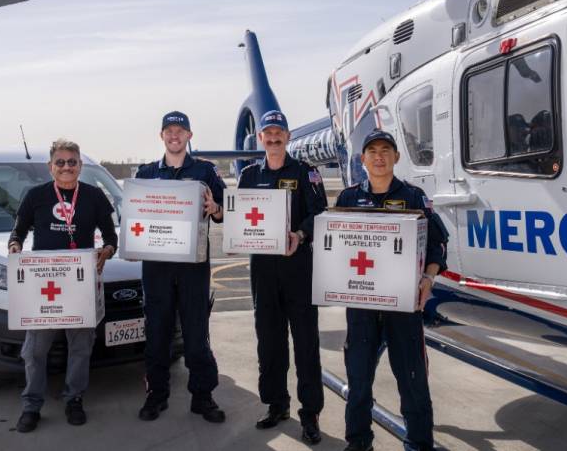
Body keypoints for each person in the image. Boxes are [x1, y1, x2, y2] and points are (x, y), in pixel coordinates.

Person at [335, 129, 449, 451]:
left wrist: (428, 279)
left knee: (413, 384)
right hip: (361, 308)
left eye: (386, 150)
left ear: (396, 157)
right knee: (358, 383)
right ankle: (358, 443)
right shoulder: (347, 199)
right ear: (363, 160)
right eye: (372, 151)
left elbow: (439, 244)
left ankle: (418, 445)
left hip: (404, 309)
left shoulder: (414, 197)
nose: (379, 156)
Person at [8, 139, 118, 433]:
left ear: (80, 165)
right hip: (44, 283)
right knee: (34, 351)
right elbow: (17, 232)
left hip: (80, 283)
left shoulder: (94, 196)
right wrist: (15, 246)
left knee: (81, 347)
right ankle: (31, 405)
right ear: (51, 166)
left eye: (72, 162)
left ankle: (74, 399)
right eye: (61, 162)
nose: (66, 167)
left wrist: (106, 251)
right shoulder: (35, 196)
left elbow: (111, 237)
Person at [238, 110, 327, 445]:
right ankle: (277, 404)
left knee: (306, 343)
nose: (273, 138)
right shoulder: (248, 176)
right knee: (269, 341)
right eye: (267, 133)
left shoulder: (306, 173)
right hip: (263, 270)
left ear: (288, 137)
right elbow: (238, 216)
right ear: (260, 138)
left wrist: (300, 235)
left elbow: (319, 214)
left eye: (279, 133)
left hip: (298, 269)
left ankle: (311, 414)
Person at [135, 111, 227, 424]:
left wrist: (215, 209)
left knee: (196, 336)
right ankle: (156, 395)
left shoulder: (205, 171)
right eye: (169, 131)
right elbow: (134, 219)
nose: (175, 136)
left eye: (180, 130)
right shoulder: (146, 173)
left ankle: (203, 397)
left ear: (189, 135)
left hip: (193, 268)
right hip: (157, 269)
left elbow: (225, 210)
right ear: (162, 135)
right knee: (157, 334)